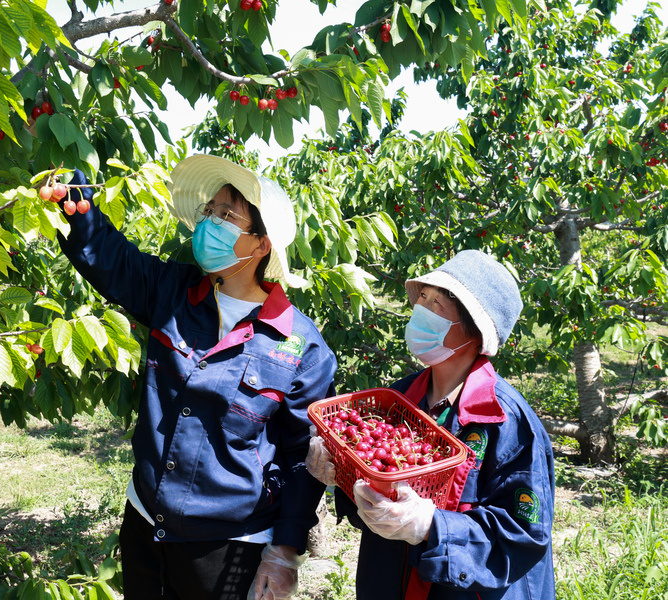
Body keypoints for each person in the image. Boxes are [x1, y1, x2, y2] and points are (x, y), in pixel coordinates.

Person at [56, 155, 337, 600]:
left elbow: (302, 458)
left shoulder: (302, 347)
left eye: (228, 215)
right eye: (210, 211)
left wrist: (284, 553)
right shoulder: (173, 290)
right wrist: (75, 202)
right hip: (145, 518)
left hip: (228, 544)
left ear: (261, 245)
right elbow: (115, 260)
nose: (211, 222)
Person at [306, 249, 555, 600]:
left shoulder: (505, 420)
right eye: (423, 297)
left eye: (440, 303)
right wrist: (342, 477)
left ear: (475, 329)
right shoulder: (397, 400)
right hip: (390, 583)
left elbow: (523, 534)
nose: (423, 309)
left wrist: (432, 525)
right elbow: (375, 501)